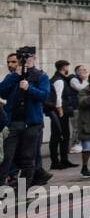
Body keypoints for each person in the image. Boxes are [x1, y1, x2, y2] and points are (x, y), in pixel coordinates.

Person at [1, 50, 52, 188]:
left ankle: (22, 191)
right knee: (6, 157)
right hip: (13, 123)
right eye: (22, 58)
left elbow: (44, 96)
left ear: (34, 58)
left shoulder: (41, 76)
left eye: (28, 57)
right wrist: (15, 76)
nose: (25, 61)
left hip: (31, 123)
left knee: (28, 159)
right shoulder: (12, 76)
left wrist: (29, 88)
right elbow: (1, 91)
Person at [44, 59, 74, 169]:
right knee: (58, 136)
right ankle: (55, 162)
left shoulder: (59, 79)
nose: (68, 69)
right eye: (67, 66)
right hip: (59, 112)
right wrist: (60, 110)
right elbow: (58, 97)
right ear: (64, 67)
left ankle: (64, 160)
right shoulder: (59, 80)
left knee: (63, 136)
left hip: (60, 111)